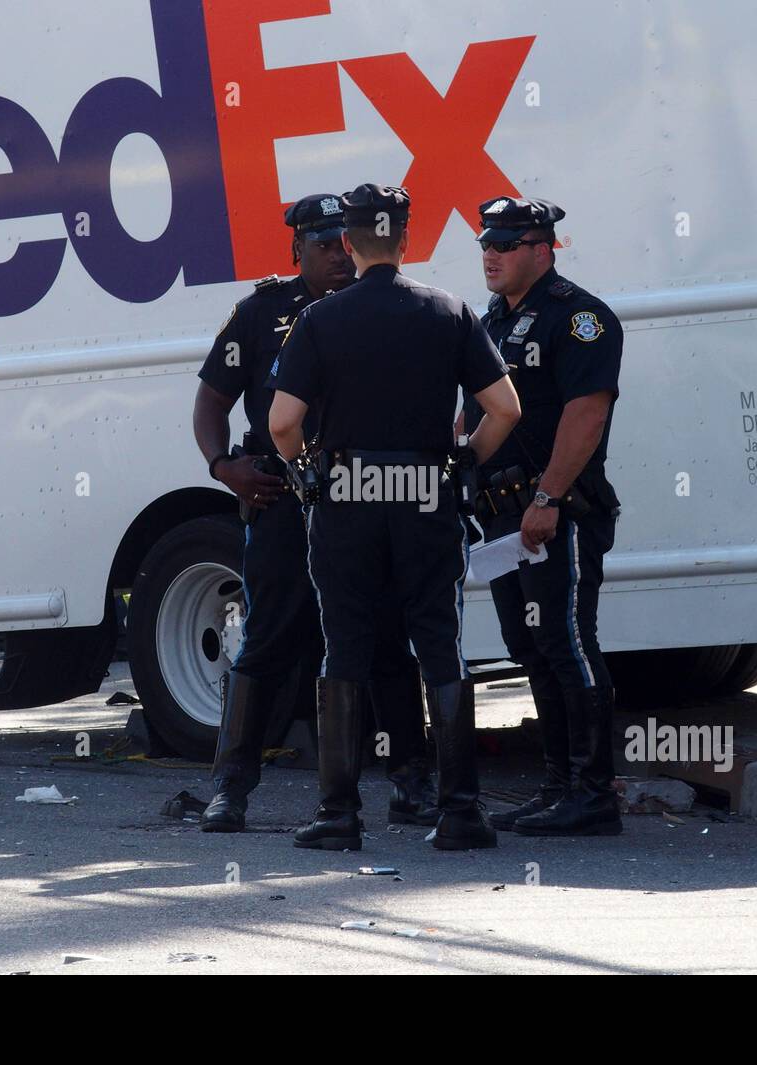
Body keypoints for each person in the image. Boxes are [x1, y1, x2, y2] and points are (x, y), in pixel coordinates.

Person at [269, 184, 521, 851]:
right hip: (427, 498)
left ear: (348, 243)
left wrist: (305, 474)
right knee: (440, 645)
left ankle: (339, 814)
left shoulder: (322, 320)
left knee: (345, 648)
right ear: (405, 239)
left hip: (348, 501)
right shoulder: (450, 311)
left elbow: (282, 421)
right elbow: (506, 408)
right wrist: (466, 461)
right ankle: (461, 810)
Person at [192, 193, 437, 833]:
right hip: (284, 499)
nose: (336, 253)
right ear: (295, 249)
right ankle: (230, 788)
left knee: (385, 636)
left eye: (342, 242)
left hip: (361, 497)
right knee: (269, 636)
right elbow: (211, 401)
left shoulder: (375, 308)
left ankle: (412, 782)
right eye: (322, 244)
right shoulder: (260, 313)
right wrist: (224, 467)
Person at [462, 195, 624, 836]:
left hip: (555, 512)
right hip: (504, 515)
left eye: (505, 244)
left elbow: (587, 414)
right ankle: (559, 785)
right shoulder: (491, 320)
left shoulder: (579, 318)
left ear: (542, 247)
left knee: (568, 643)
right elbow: (475, 410)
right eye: (485, 244)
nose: (491, 255)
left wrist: (548, 498)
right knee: (529, 645)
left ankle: (593, 793)